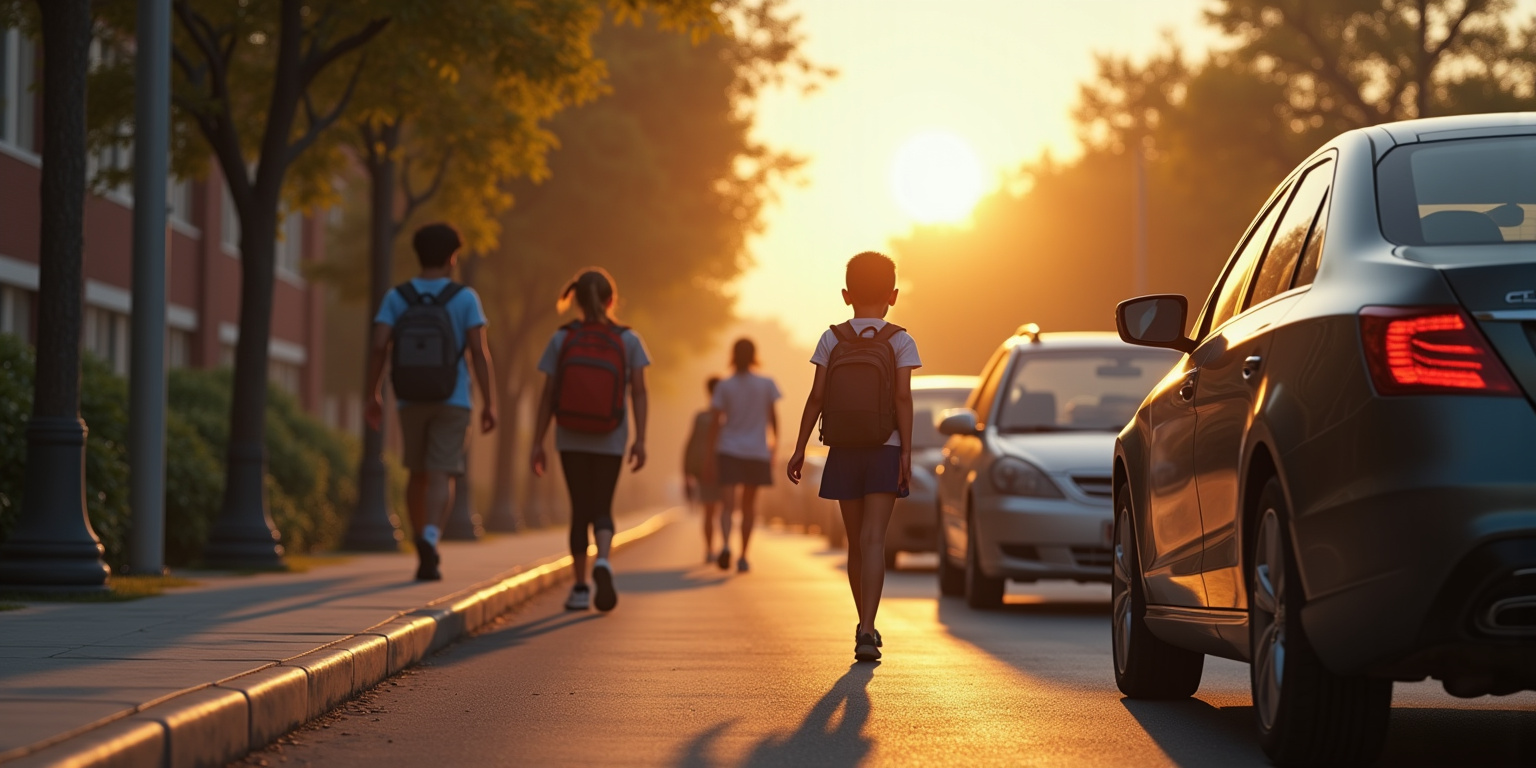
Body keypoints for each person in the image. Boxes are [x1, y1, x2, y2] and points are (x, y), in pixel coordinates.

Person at [786, 252, 920, 662]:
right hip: (885, 448)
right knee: (874, 540)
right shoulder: (900, 340)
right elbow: (901, 398)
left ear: (846, 295)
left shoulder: (832, 338)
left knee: (855, 545)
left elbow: (816, 397)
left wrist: (799, 447)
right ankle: (867, 628)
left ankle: (861, 621)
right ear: (892, 295)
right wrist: (906, 455)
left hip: (843, 449)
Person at [365, 223, 497, 582]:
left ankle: (418, 535)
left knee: (417, 472)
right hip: (453, 398)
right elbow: (478, 353)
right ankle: (431, 539)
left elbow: (379, 346)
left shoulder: (397, 297)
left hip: (409, 397)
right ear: (452, 257)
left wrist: (373, 393)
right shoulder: (465, 298)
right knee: (442, 472)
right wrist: (490, 402)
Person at [530, 268, 650, 612]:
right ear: (612, 300)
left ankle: (581, 587)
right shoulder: (629, 340)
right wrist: (641, 439)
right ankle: (604, 561)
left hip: (570, 435)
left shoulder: (563, 338)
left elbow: (548, 394)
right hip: (611, 435)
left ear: (577, 300)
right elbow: (640, 392)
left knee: (579, 509)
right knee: (603, 505)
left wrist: (538, 441)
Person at [705, 338, 781, 573]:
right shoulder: (766, 384)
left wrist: (709, 456)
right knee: (749, 507)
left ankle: (726, 545)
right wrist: (773, 449)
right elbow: (773, 419)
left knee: (728, 506)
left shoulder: (724, 386)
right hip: (756, 451)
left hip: (728, 450)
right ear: (754, 355)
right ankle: (744, 556)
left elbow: (715, 423)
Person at [683, 376, 724, 564]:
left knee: (709, 511)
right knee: (725, 510)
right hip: (723, 467)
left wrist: (686, 474)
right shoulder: (727, 418)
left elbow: (690, 446)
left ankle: (710, 550)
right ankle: (724, 547)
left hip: (704, 469)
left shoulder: (701, 417)